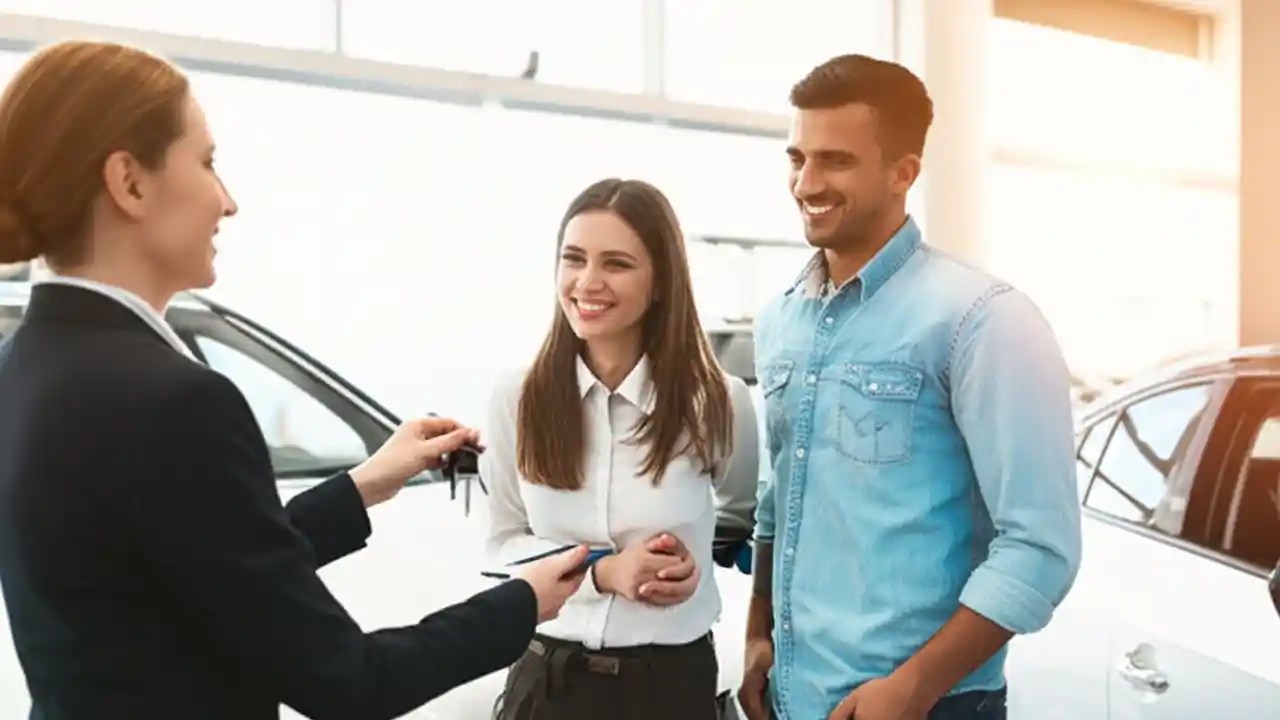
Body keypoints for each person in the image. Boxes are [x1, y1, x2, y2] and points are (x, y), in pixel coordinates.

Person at [0, 39, 588, 720]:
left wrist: (364, 485)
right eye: (208, 162)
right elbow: (348, 682)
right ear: (129, 182)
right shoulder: (177, 401)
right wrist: (521, 601)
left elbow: (194, 564)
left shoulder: (22, 368)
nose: (229, 201)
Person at [738, 54, 1083, 720]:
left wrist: (913, 688)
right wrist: (758, 635)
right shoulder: (781, 318)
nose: (806, 182)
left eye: (835, 160)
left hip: (932, 708)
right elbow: (777, 500)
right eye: (796, 158)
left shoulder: (982, 319)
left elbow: (1041, 549)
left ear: (904, 173)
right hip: (791, 698)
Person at [481, 178, 760, 719]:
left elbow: (739, 517)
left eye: (616, 263)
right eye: (574, 259)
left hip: (670, 688)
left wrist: (691, 558)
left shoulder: (719, 401)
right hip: (546, 685)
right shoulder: (517, 395)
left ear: (661, 281)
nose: (588, 282)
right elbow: (501, 548)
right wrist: (603, 572)